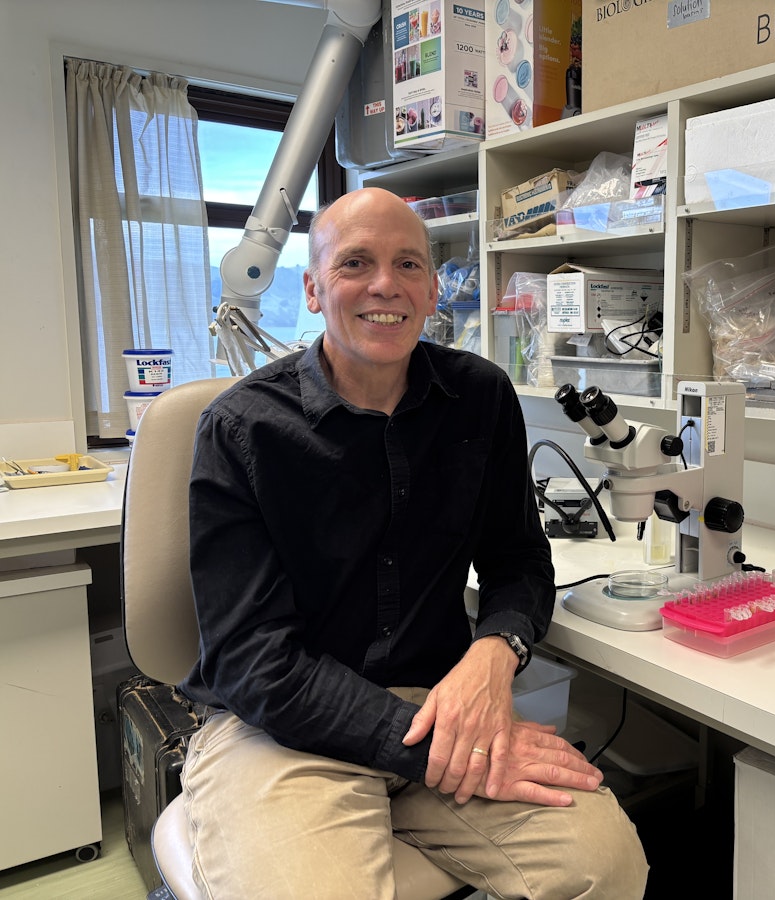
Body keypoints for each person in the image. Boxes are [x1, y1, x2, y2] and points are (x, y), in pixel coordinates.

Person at [178, 187, 649, 899]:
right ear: (312, 289)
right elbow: (252, 661)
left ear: (433, 291)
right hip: (279, 727)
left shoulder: (481, 398)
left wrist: (498, 651)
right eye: (355, 263)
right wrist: (420, 742)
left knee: (605, 864)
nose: (384, 285)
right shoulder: (243, 429)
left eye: (407, 265)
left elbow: (518, 560)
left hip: (437, 704)